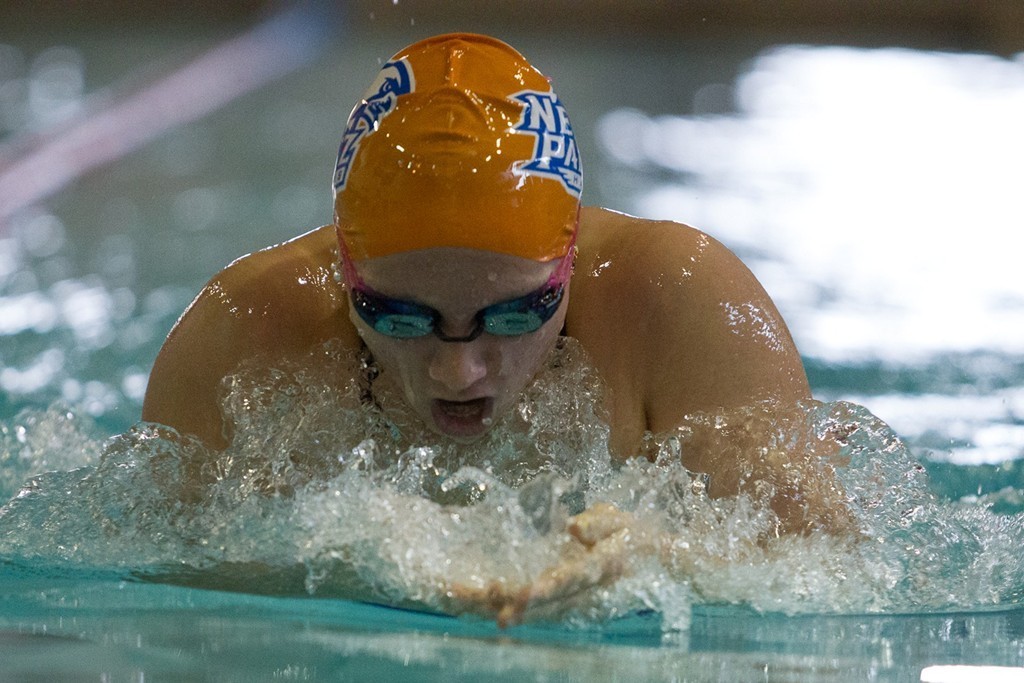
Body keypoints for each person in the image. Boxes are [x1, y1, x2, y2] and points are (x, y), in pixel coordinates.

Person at [143, 34, 850, 620]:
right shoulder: (240, 335)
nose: (459, 370)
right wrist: (365, 565)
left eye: (512, 315)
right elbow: (157, 576)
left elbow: (838, 573)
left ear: (568, 262)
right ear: (345, 272)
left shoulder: (684, 306)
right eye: (401, 315)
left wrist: (665, 558)